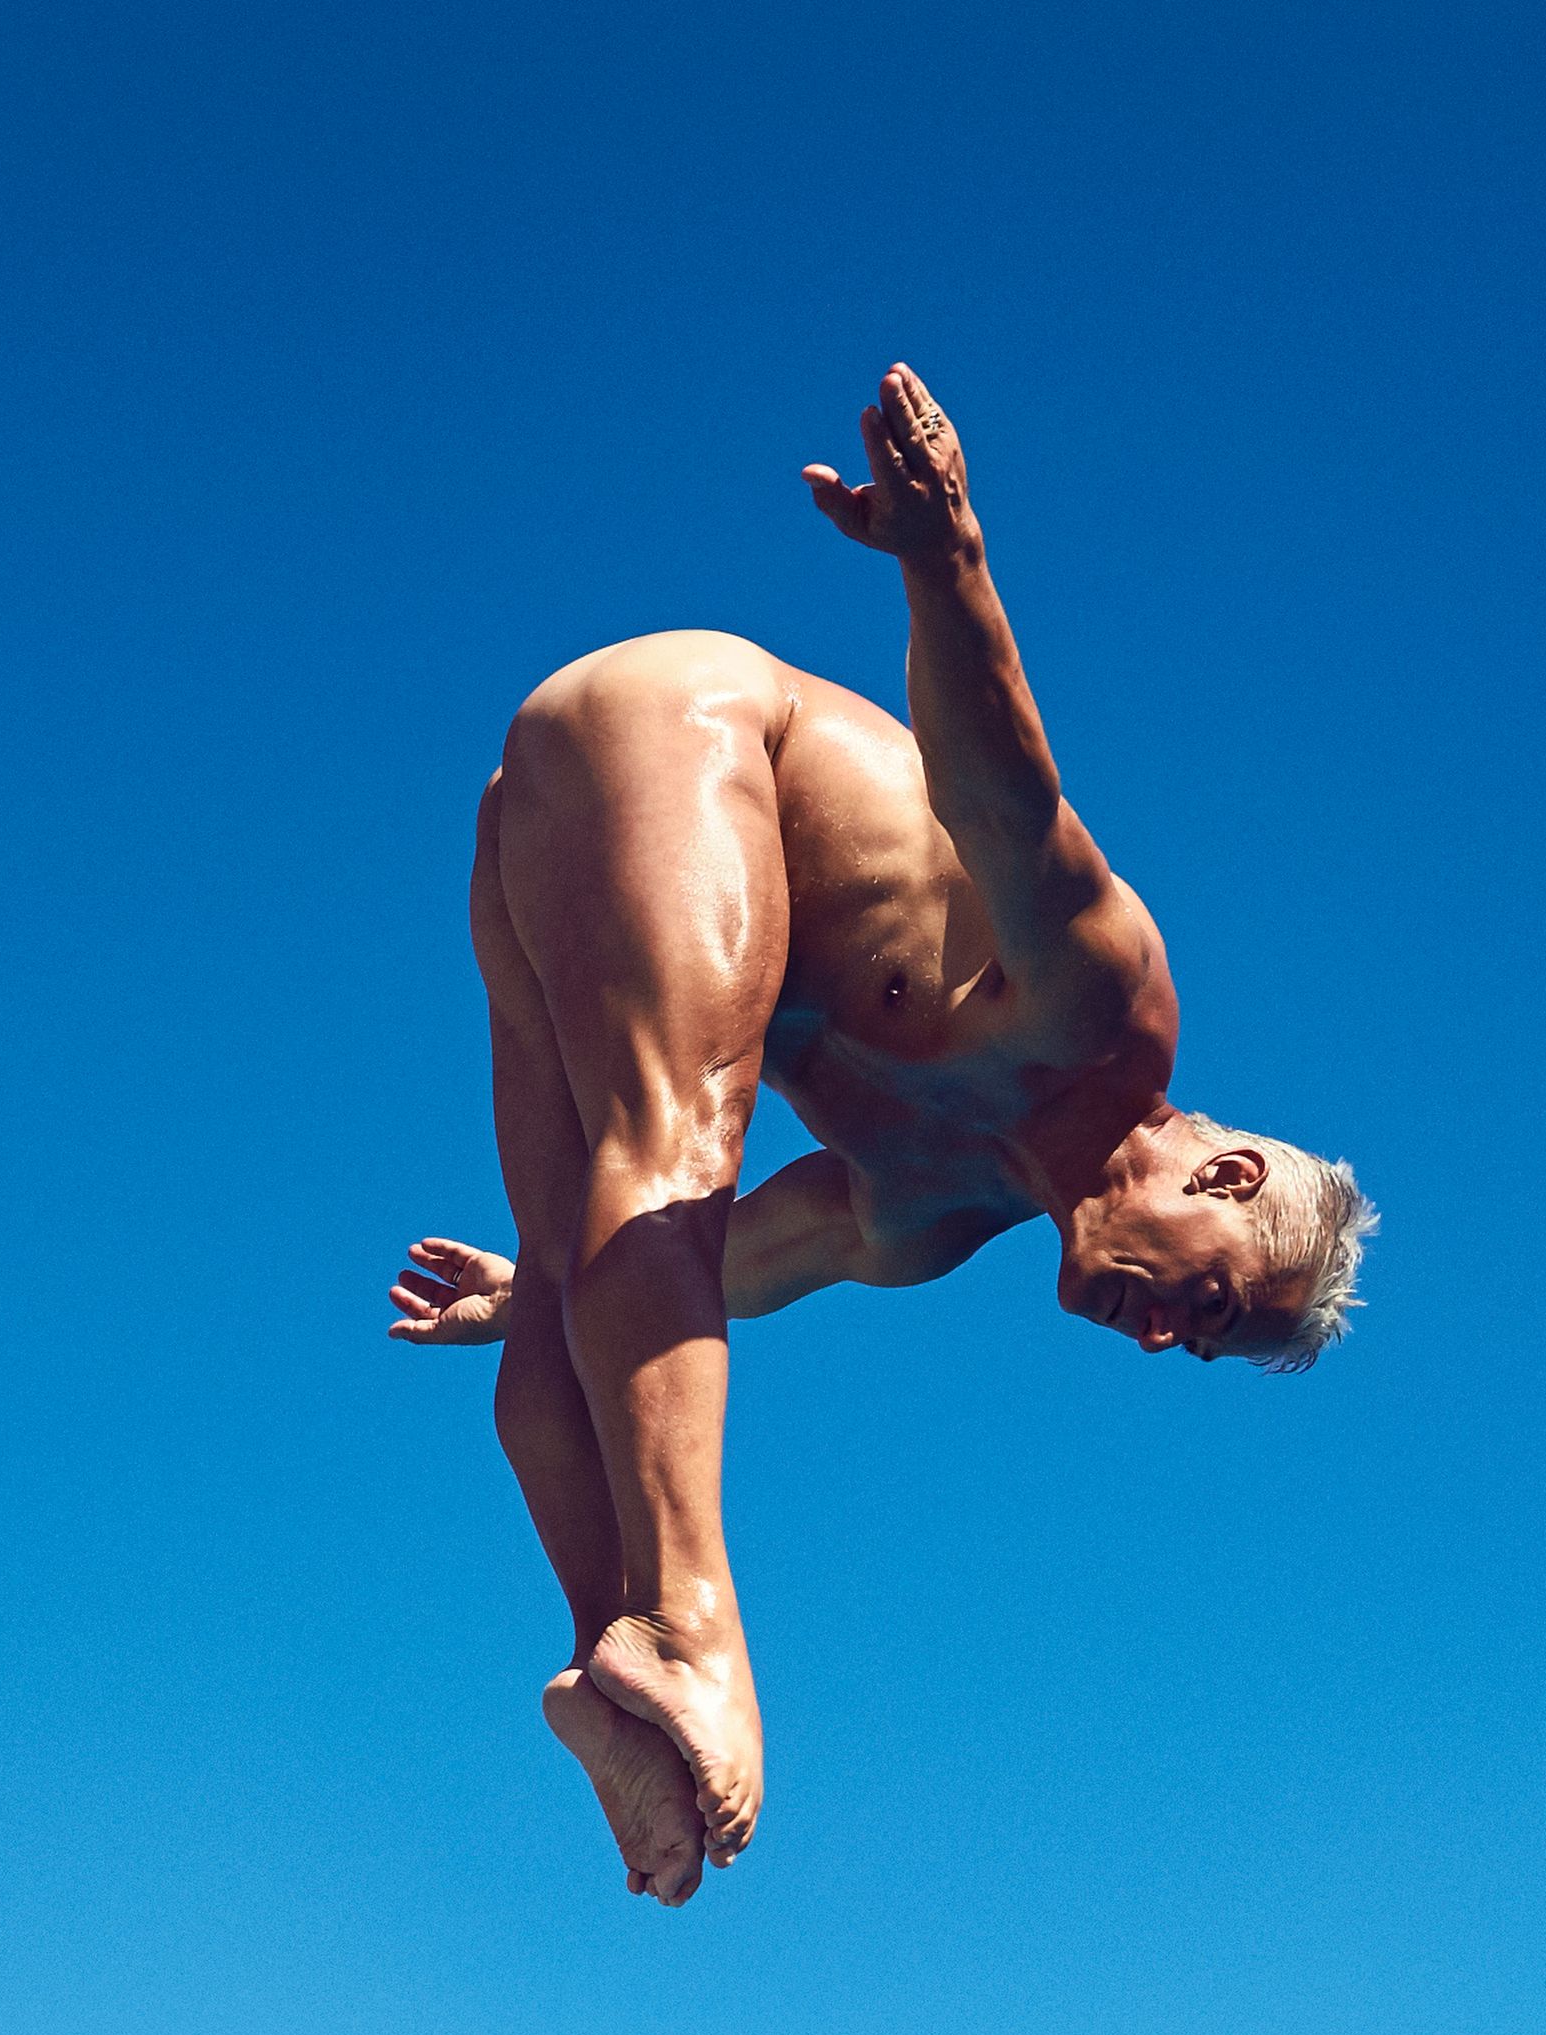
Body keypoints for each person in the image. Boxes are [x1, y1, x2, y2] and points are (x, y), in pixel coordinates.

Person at [397, 364, 1372, 1907]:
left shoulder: (920, 1221)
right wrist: (945, 557)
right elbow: (1006, 801)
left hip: (526, 822)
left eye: (1191, 1349)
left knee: (581, 1283)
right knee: (671, 1146)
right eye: (1205, 1301)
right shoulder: (1110, 1016)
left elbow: (708, 1272)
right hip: (691, 723)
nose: (1157, 1336)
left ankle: (616, 1673)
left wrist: (520, 1299)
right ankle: (692, 1630)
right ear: (1223, 1174)